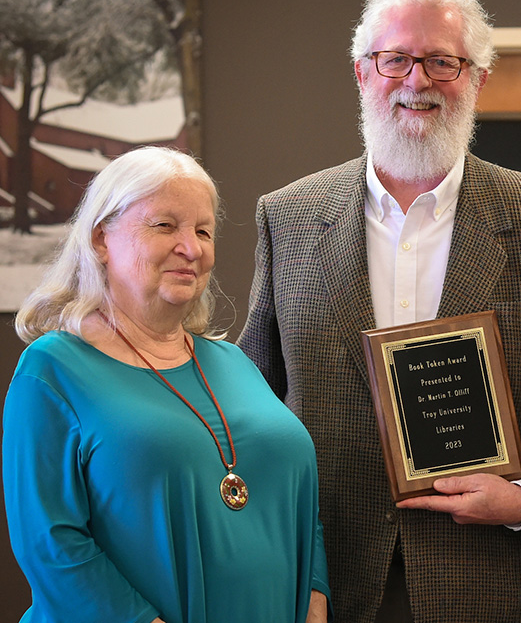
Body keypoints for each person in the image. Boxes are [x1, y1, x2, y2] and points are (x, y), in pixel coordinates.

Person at [238, 0, 521, 622]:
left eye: (442, 62)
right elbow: (251, 397)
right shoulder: (288, 218)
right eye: (395, 60)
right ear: (362, 73)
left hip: (493, 580)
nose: (416, 81)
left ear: (477, 79)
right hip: (324, 585)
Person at [3, 146, 328, 623]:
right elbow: (50, 542)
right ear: (100, 239)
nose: (191, 248)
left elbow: (300, 506)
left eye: (203, 230)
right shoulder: (53, 370)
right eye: (164, 225)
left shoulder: (235, 362)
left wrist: (315, 598)